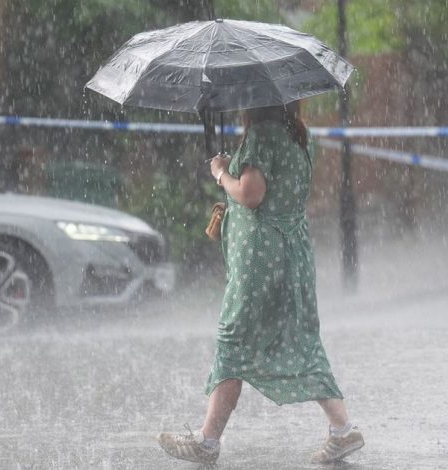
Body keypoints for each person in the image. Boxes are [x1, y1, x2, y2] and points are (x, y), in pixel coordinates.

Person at [156, 102, 364, 465]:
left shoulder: (262, 137)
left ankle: (206, 442)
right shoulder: (300, 136)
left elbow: (251, 194)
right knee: (300, 338)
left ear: (253, 100)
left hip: (260, 261)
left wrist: (221, 172)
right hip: (293, 254)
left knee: (233, 339)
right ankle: (343, 430)